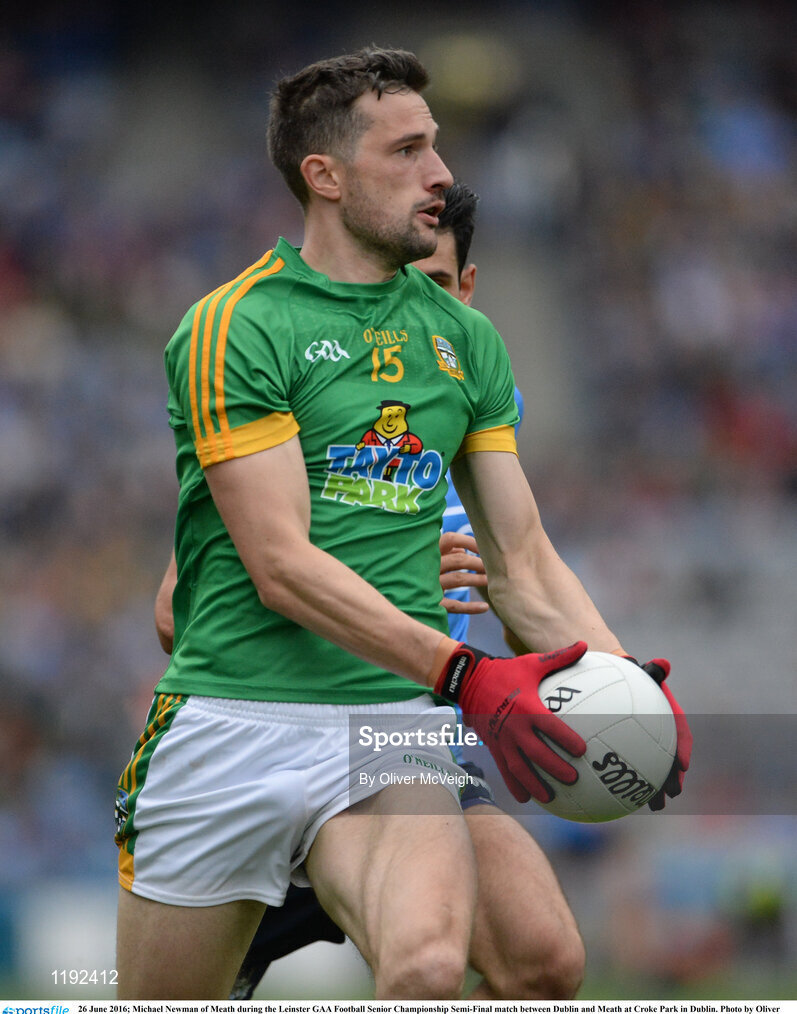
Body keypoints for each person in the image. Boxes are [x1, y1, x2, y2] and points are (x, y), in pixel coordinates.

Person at [116, 47, 690, 1000]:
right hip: (231, 726)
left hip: (389, 729)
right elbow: (278, 567)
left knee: (432, 966)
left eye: (437, 147)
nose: (441, 174)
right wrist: (465, 671)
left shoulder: (465, 339)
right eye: (408, 150)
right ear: (325, 175)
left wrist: (620, 685)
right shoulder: (235, 326)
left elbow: (523, 561)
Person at [152, 180, 585, 1001]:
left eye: (432, 287)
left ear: (466, 291)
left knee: (541, 961)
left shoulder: (476, 404)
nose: (401, 310)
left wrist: (616, 683)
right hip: (264, 751)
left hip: (399, 749)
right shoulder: (305, 404)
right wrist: (387, 584)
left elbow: (529, 578)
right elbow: (177, 612)